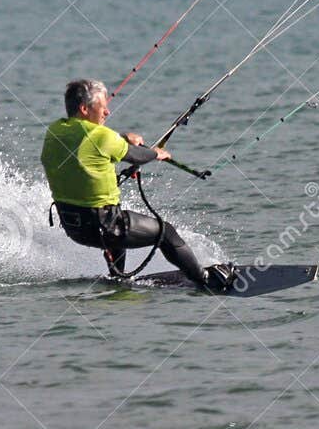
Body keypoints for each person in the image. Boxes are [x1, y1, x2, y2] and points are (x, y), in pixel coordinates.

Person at [41, 79, 234, 291]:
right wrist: (155, 154)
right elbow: (135, 155)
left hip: (75, 228)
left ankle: (117, 278)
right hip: (105, 226)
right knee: (165, 233)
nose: (107, 112)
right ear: (85, 109)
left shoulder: (55, 131)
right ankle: (206, 279)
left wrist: (121, 138)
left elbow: (91, 148)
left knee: (119, 231)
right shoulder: (101, 136)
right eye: (102, 107)